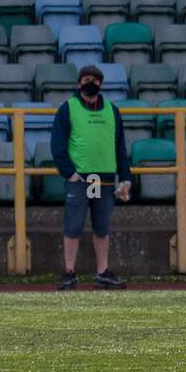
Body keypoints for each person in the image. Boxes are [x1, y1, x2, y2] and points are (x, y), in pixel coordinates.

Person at [50, 64, 131, 289]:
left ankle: (103, 271)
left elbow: (120, 147)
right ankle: (69, 271)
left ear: (101, 84)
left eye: (95, 80)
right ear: (78, 83)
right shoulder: (68, 108)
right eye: (86, 79)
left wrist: (125, 178)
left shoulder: (112, 111)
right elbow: (57, 146)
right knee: (73, 225)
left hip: (104, 179)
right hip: (80, 179)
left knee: (102, 227)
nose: (91, 83)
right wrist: (70, 173)